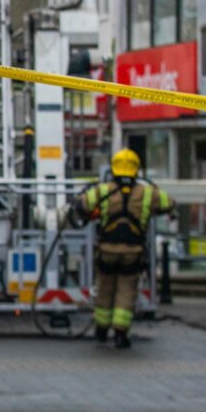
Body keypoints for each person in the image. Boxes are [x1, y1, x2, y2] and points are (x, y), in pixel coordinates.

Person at [75, 148, 173, 349]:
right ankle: (121, 333)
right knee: (127, 290)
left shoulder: (103, 190)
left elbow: (81, 204)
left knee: (105, 287)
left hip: (106, 250)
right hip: (133, 252)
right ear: (136, 170)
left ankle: (101, 330)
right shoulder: (147, 192)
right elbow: (169, 203)